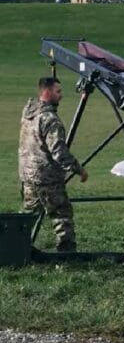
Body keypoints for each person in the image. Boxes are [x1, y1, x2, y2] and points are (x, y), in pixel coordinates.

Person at [18, 77, 88, 252]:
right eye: (58, 91)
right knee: (61, 215)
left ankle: (16, 249)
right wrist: (79, 170)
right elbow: (59, 153)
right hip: (47, 177)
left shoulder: (28, 112)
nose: (61, 96)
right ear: (47, 92)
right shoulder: (50, 120)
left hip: (28, 175)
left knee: (28, 216)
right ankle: (66, 254)